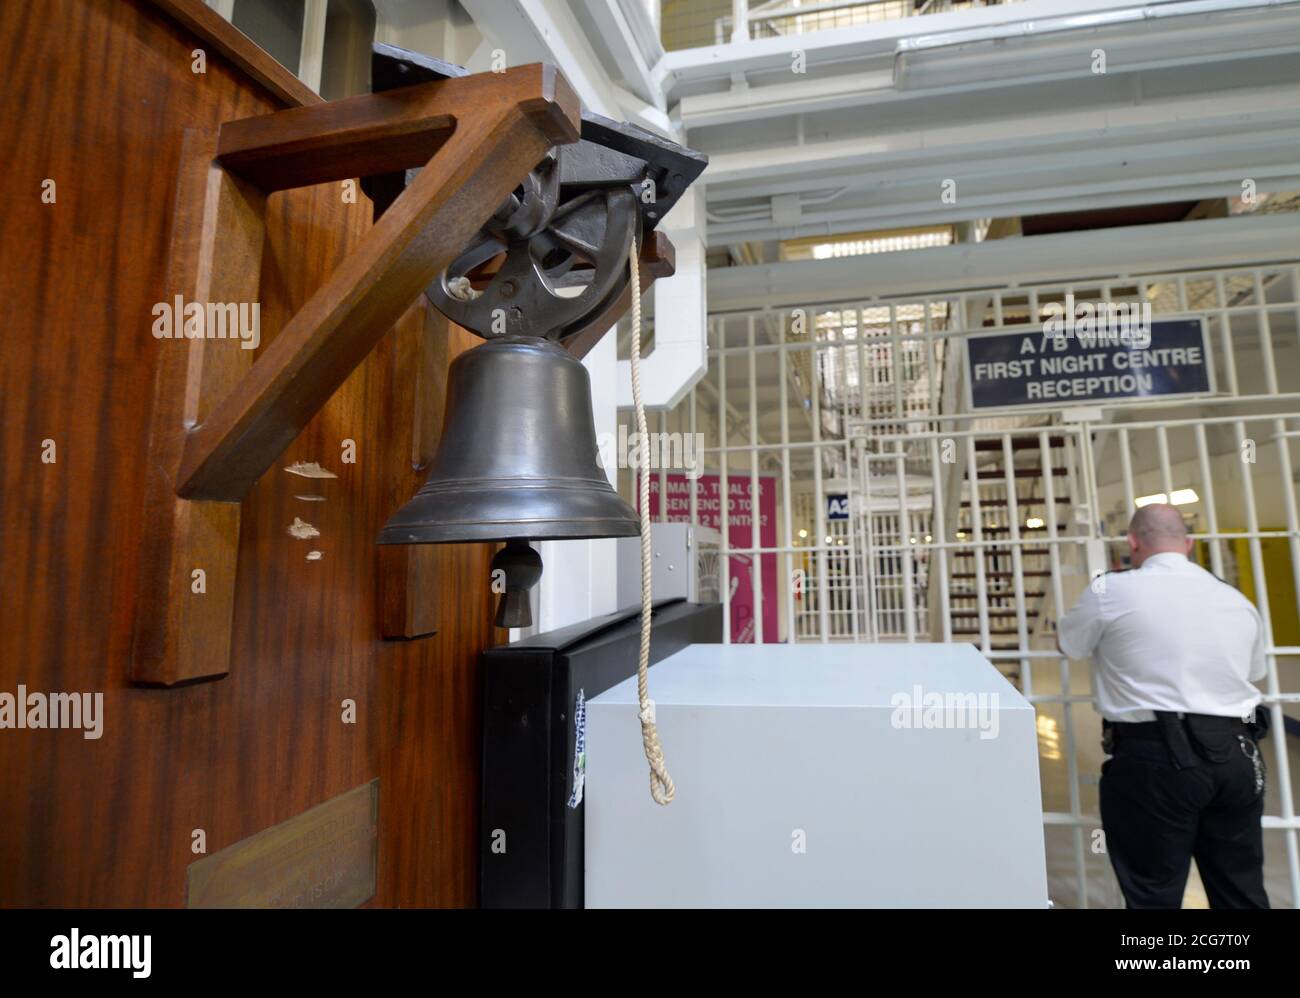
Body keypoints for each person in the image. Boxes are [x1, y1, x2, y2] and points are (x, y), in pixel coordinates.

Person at [1057, 503, 1270, 909]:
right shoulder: (1234, 599)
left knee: (1153, 893)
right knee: (1241, 889)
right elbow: (1253, 670)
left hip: (1153, 756)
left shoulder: (1111, 590)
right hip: (1238, 756)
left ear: (1132, 542)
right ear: (1189, 543)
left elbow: (1069, 644)